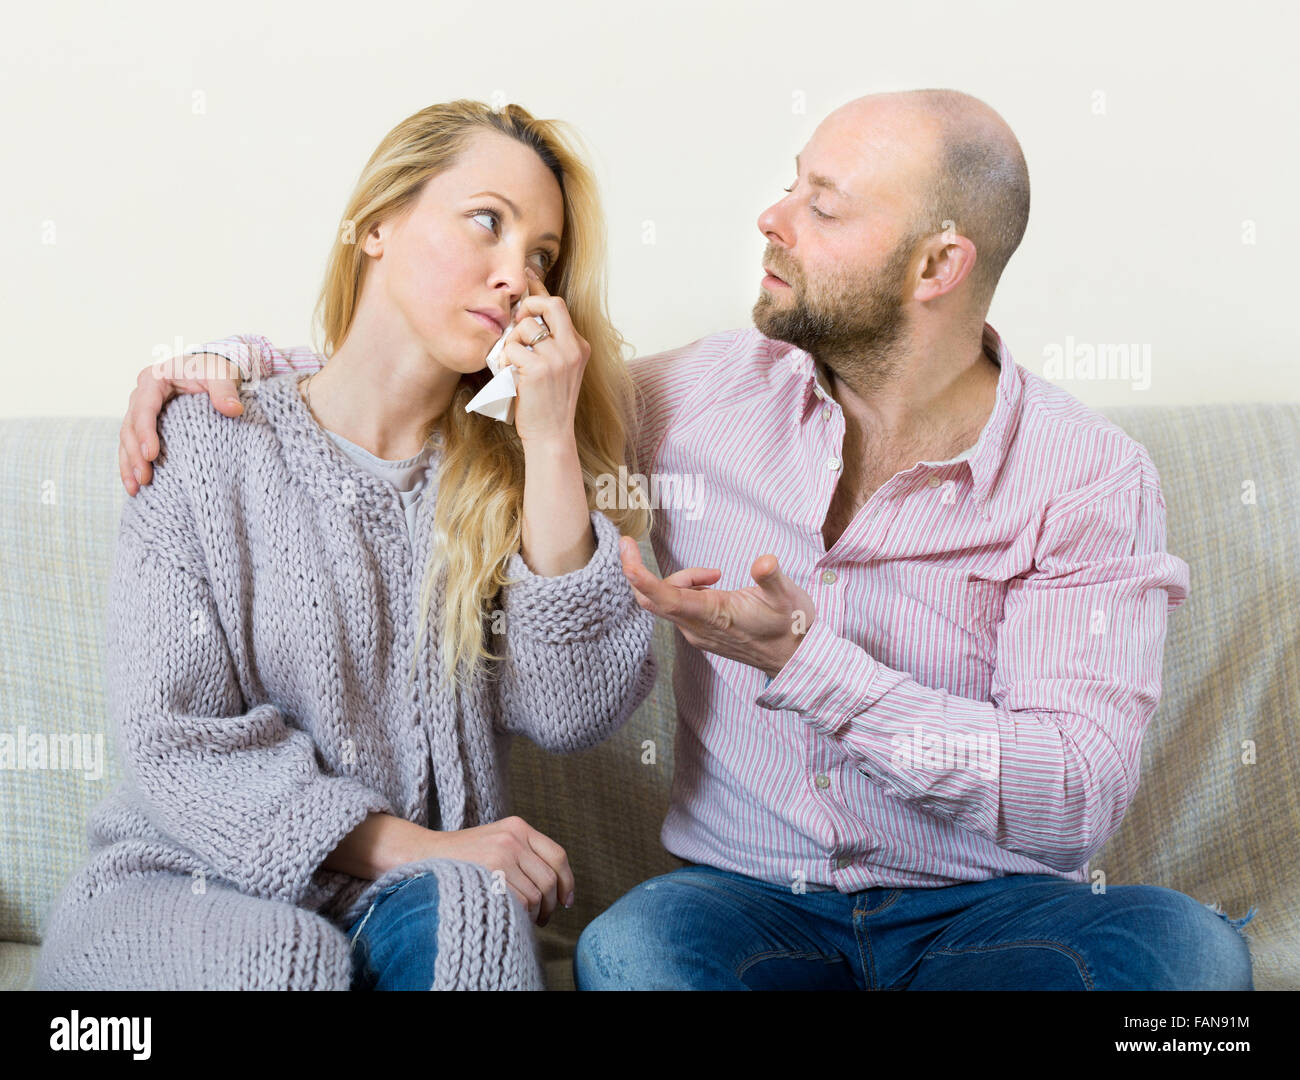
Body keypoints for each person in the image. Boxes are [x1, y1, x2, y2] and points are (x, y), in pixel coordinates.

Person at [116, 89, 1256, 991]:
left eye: (822, 202)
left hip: (991, 909)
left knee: (1188, 968)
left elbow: (1075, 795)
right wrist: (234, 368)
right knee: (634, 954)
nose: (771, 218)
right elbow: (405, 395)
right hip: (751, 910)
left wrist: (809, 666)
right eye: (788, 186)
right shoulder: (698, 398)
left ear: (934, 267)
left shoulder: (1086, 477)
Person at [37, 99, 657, 992]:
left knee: (474, 914)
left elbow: (576, 709)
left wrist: (551, 441)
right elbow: (176, 741)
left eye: (542, 259)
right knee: (289, 963)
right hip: (183, 885)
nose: (516, 276)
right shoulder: (208, 442)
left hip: (405, 898)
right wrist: (424, 846)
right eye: (487, 222)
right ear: (375, 225)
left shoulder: (507, 481)